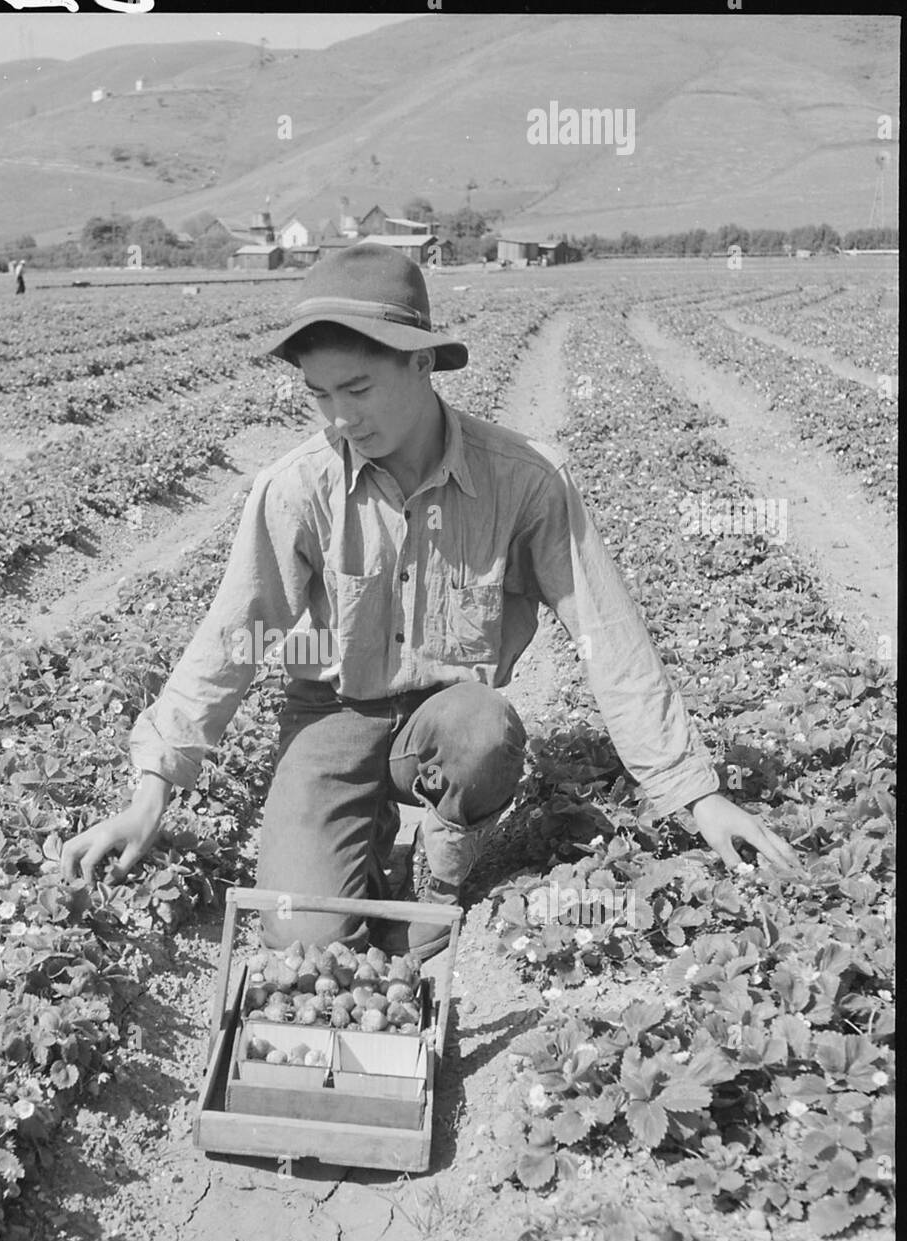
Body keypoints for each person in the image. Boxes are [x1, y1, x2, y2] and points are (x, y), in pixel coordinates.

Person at [61, 244, 801, 959]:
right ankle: (360, 831)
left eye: (357, 389)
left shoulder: (523, 479)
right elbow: (232, 636)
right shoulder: (295, 488)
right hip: (332, 712)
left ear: (420, 362)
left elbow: (605, 632)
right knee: (304, 939)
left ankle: (440, 868)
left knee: (481, 729)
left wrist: (693, 794)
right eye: (319, 394)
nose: (338, 418)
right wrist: (151, 788)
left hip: (447, 717)